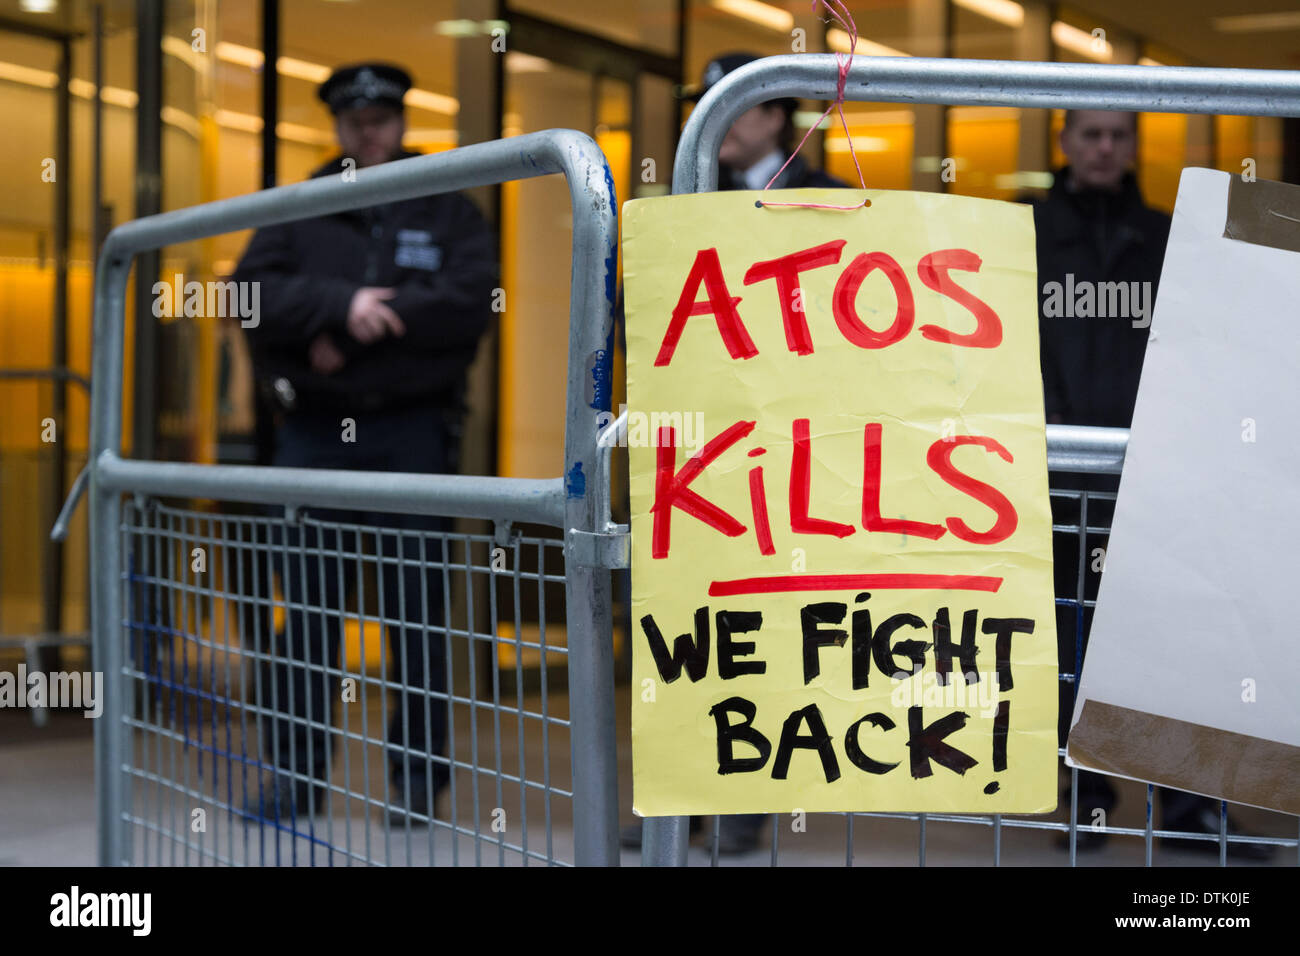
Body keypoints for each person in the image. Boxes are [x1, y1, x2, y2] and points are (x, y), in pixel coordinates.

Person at [233, 62, 497, 825]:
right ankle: (295, 775)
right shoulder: (303, 204)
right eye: (354, 120)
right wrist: (339, 303)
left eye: (379, 117)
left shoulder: (447, 199)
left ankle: (417, 783)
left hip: (412, 430)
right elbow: (253, 297)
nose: (367, 130)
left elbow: (467, 309)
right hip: (315, 434)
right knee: (308, 613)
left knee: (414, 615)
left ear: (402, 119)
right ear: (337, 125)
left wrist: (359, 335)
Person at [620, 52, 844, 856]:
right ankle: (670, 799)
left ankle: (747, 799)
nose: (712, 120)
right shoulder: (678, 202)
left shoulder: (828, 204)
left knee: (763, 627)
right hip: (693, 450)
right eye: (704, 105)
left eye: (732, 106)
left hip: (787, 452)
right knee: (678, 627)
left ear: (776, 114)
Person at [1034, 109, 1270, 858]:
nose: (1105, 148)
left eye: (1119, 135)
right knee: (1074, 636)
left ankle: (1184, 806)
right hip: (1058, 470)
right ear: (1065, 143)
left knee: (1173, 638)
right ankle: (1089, 792)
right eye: (1091, 134)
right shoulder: (1025, 235)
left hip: (1159, 467)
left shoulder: (1174, 234)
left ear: (1133, 146)